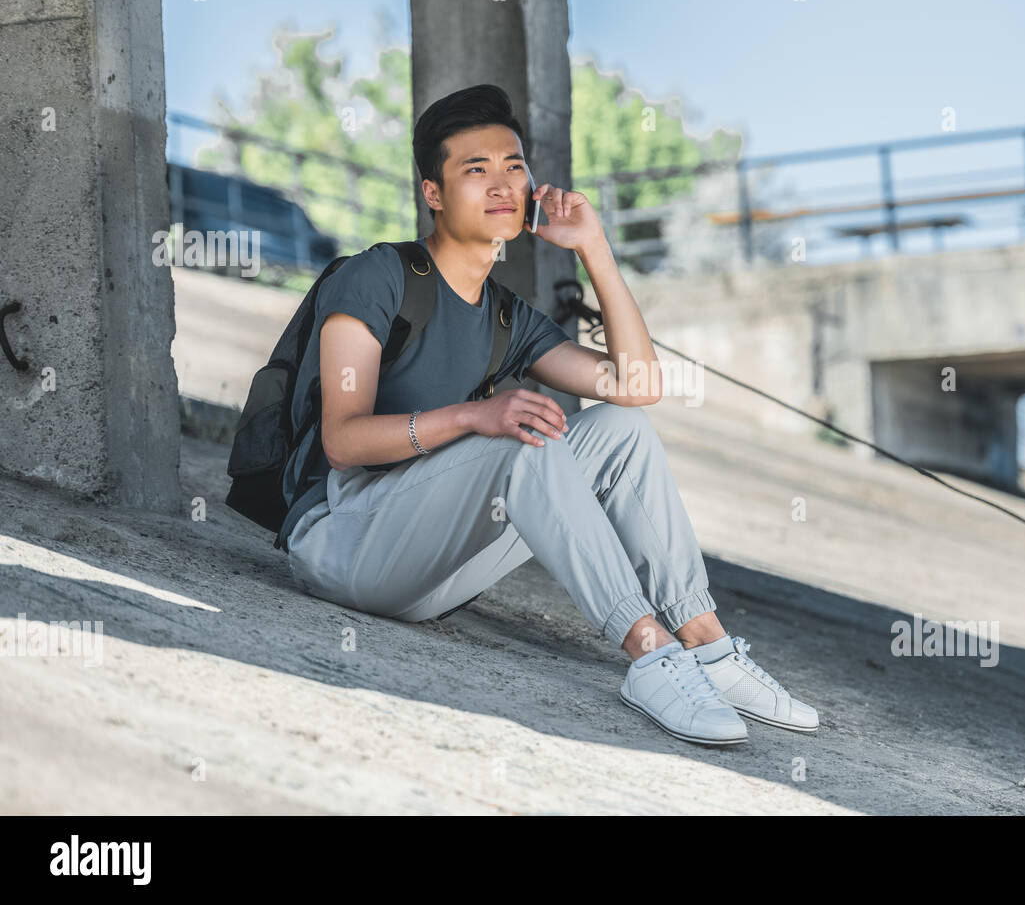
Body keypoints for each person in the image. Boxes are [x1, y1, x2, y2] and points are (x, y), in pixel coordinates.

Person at [280, 83, 817, 746]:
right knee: (522, 434)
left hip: (427, 575)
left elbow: (636, 384)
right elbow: (341, 441)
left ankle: (704, 641)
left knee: (620, 428)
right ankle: (649, 652)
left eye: (513, 166)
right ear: (434, 194)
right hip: (345, 541)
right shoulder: (378, 277)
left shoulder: (507, 316)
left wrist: (593, 246)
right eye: (475, 170)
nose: (501, 182)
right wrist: (474, 417)